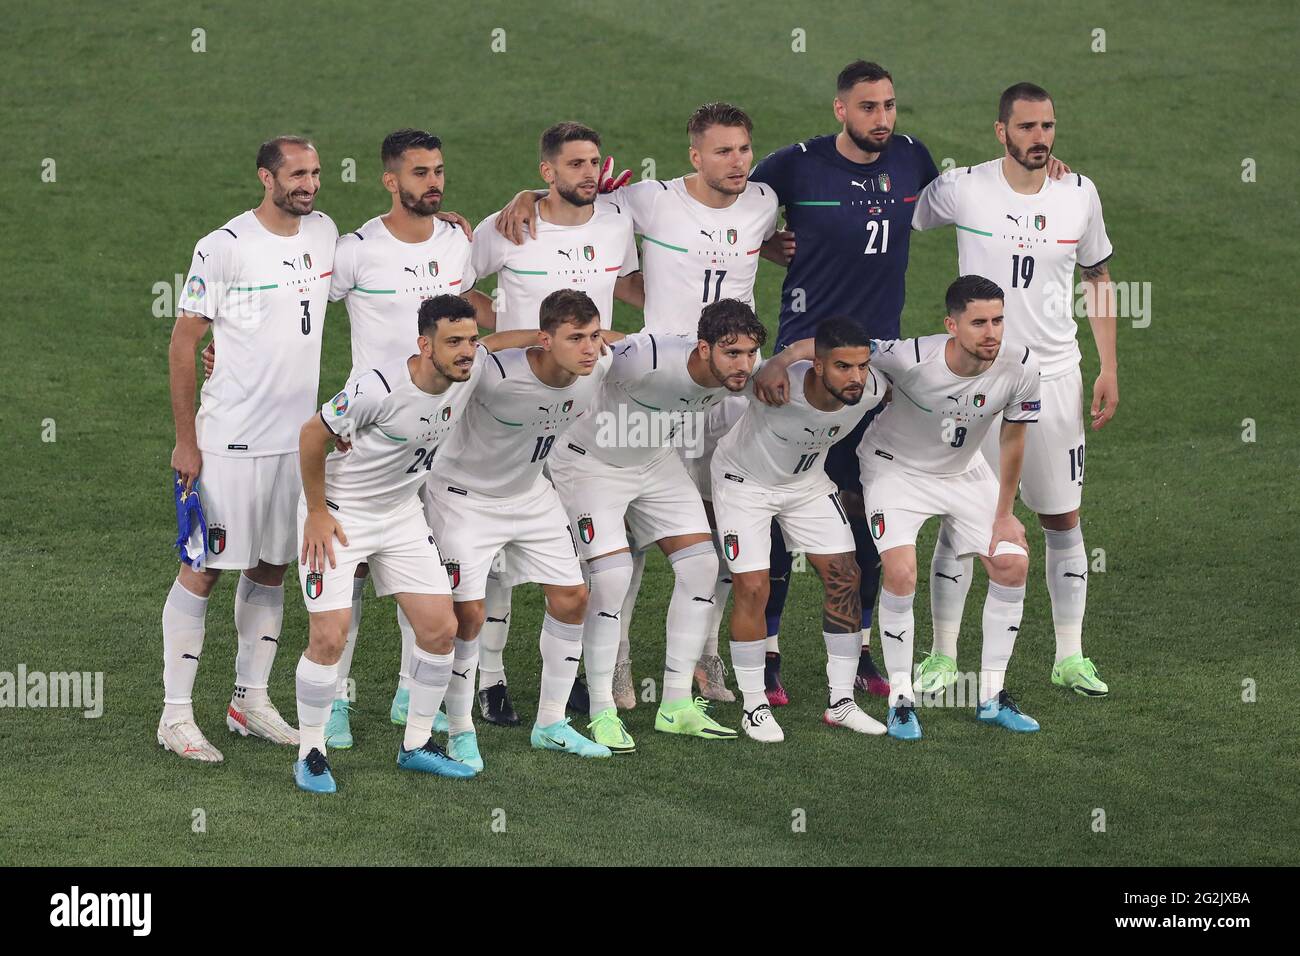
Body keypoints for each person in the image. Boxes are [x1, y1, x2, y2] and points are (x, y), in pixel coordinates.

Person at [911, 83, 1115, 697]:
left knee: (1062, 518)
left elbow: (1097, 274)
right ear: (1001, 130)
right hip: (974, 381)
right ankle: (943, 656)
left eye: (1048, 127)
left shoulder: (1079, 193)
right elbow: (900, 212)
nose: (1040, 138)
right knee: (960, 520)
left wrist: (1108, 364)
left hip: (1054, 377)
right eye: (1026, 127)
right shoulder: (965, 187)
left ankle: (1070, 656)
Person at [159, 136, 337, 762]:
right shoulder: (224, 247)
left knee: (271, 566)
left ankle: (248, 700)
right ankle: (175, 715)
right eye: (296, 174)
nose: (309, 185)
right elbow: (185, 344)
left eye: (315, 173)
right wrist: (187, 441)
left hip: (294, 445)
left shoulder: (325, 235)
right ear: (266, 177)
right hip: (228, 441)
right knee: (203, 568)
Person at [545, 299, 767, 752]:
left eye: (750, 353)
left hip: (655, 462)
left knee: (703, 567)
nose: (744, 364)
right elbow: (582, 357)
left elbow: (781, 368)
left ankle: (675, 704)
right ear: (703, 349)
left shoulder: (744, 369)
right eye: (732, 353)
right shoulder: (644, 357)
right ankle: (602, 709)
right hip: (590, 465)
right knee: (610, 577)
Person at [424, 289, 618, 768]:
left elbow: (632, 344)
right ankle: (460, 727)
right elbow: (449, 367)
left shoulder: (599, 367)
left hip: (531, 496)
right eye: (576, 338)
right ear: (545, 340)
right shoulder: (493, 373)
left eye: (594, 336)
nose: (590, 348)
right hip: (464, 500)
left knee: (573, 598)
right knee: (466, 617)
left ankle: (551, 723)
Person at [858, 275, 1043, 739]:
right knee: (901, 573)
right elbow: (838, 347)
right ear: (951, 325)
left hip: (964, 471)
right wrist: (782, 361)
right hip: (895, 469)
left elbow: (1014, 436)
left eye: (998, 320)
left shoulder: (1019, 365)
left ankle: (991, 697)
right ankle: (901, 700)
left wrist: (1004, 514)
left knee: (1011, 563)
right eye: (979, 322)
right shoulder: (910, 357)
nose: (992, 332)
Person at [713, 319, 887, 742]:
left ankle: (842, 701)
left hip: (807, 485)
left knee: (846, 575)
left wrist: (790, 353)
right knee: (753, 587)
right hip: (744, 484)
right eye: (843, 367)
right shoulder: (774, 383)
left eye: (862, 366)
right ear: (818, 367)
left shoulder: (873, 390)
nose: (856, 377)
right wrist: (781, 359)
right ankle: (754, 706)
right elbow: (722, 369)